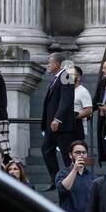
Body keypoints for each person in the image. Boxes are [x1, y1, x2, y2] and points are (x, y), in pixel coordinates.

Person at [38, 52, 78, 186]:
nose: (47, 65)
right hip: (52, 126)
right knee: (46, 149)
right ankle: (56, 179)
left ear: (56, 64)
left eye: (49, 62)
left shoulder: (66, 75)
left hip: (62, 125)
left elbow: (66, 100)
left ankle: (74, 181)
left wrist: (58, 119)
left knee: (68, 156)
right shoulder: (56, 78)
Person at [55, 140, 96, 212]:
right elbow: (62, 189)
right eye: (77, 152)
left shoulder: (92, 177)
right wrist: (75, 169)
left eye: (84, 152)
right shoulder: (62, 173)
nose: (81, 155)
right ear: (70, 155)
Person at [71, 65, 94, 140]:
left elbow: (89, 110)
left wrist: (71, 117)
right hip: (65, 129)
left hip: (77, 130)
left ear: (78, 77)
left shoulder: (83, 91)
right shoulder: (67, 91)